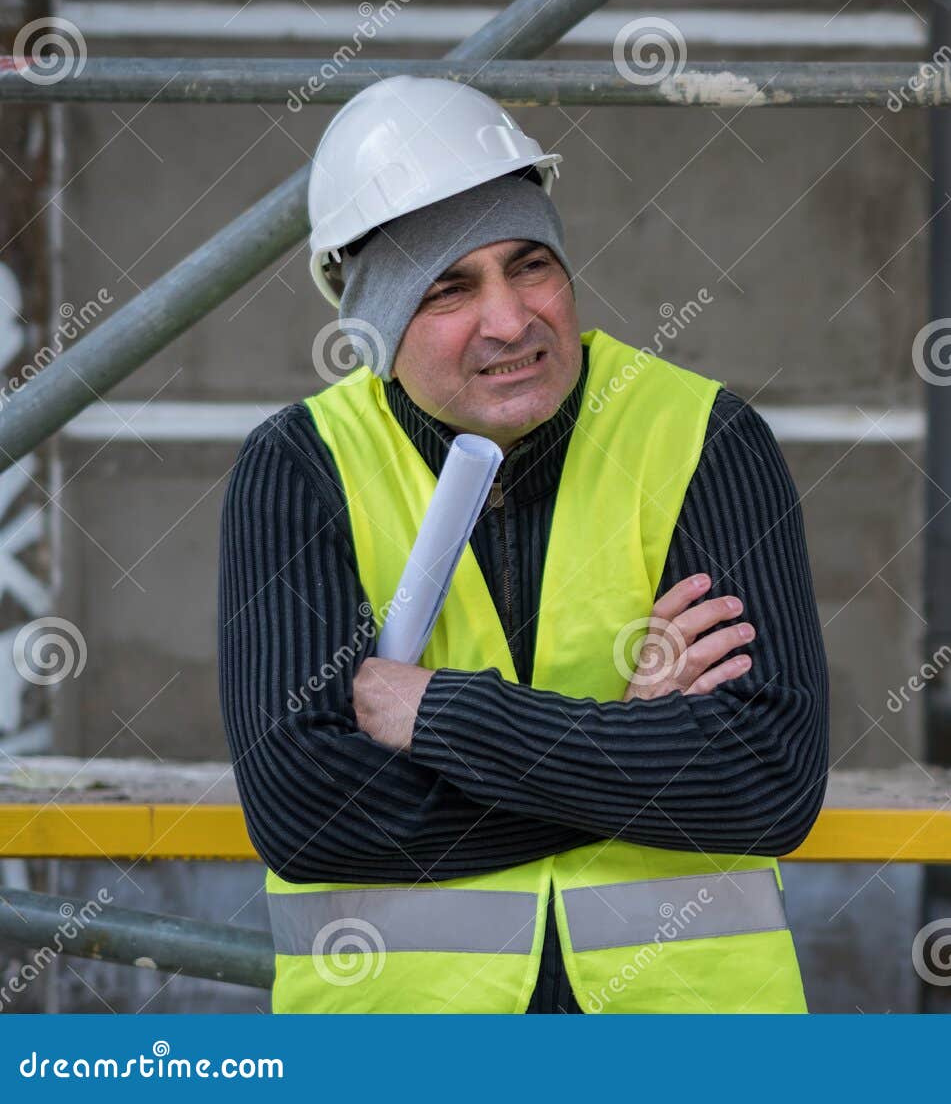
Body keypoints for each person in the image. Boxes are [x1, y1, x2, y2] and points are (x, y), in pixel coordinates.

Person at [217, 76, 828, 1013]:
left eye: (531, 264)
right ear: (372, 324)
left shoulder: (702, 435)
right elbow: (307, 813)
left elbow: (769, 783)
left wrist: (439, 720)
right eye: (449, 287)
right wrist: (629, 745)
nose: (510, 319)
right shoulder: (301, 469)